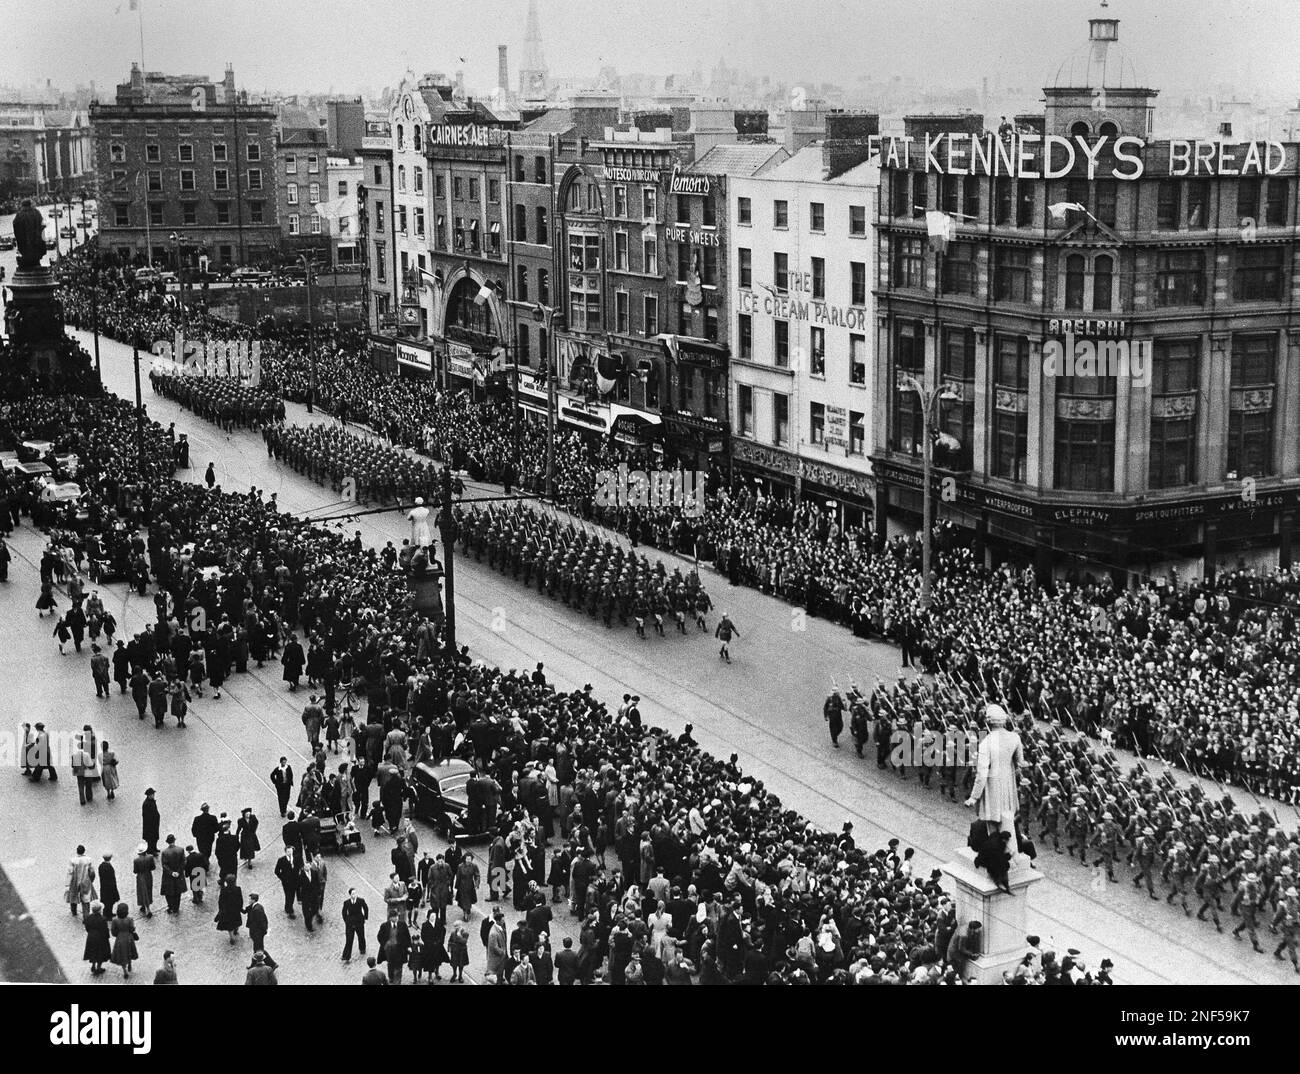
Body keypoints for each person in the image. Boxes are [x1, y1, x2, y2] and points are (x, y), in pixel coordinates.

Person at [109, 903, 139, 979]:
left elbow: (113, 931)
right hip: (129, 937)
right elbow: (132, 929)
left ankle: (124, 970)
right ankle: (129, 964)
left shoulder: (115, 920)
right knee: (129, 951)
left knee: (122, 953)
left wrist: (118, 934)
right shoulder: (130, 919)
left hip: (120, 938)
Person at [66, 846, 96, 918]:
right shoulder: (89, 860)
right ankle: (86, 916)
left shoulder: (72, 860)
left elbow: (70, 872)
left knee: (73, 895)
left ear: (77, 851)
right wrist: (91, 880)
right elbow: (92, 871)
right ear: (84, 851)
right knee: (86, 898)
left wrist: (68, 884)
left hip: (75, 881)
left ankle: (74, 911)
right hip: (85, 880)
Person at [83, 901, 111, 975]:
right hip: (100, 938)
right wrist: (107, 937)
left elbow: (87, 928)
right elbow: (105, 930)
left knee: (93, 952)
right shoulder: (103, 919)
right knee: (100, 953)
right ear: (99, 910)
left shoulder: (88, 917)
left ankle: (93, 965)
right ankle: (98, 967)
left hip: (91, 937)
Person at [159, 835, 186, 914]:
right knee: (178, 892)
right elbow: (184, 862)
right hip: (179, 874)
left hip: (168, 876)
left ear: (168, 842)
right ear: (174, 841)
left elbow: (164, 865)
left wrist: (171, 872)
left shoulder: (164, 852)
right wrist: (178, 871)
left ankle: (170, 907)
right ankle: (176, 908)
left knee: (168, 892)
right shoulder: (181, 850)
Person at [341, 887, 369, 962]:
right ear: (350, 895)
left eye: (355, 893)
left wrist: (365, 917)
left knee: (361, 936)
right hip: (350, 923)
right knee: (349, 939)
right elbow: (344, 912)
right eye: (353, 893)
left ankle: (362, 949)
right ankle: (346, 956)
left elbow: (365, 908)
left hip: (359, 922)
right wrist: (346, 920)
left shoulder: (361, 901)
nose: (355, 895)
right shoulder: (346, 902)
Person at [216, 875, 244, 943]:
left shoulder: (223, 890)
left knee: (229, 925)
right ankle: (236, 929)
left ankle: (231, 937)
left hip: (227, 910)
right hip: (235, 909)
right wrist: (240, 907)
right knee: (235, 921)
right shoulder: (238, 889)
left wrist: (221, 909)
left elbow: (221, 901)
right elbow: (240, 900)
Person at [132, 843, 155, 918]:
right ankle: (146, 905)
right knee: (148, 890)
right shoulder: (150, 857)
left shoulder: (136, 860)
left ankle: (145, 906)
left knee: (141, 891)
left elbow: (135, 871)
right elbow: (153, 867)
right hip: (148, 875)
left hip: (141, 876)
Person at [141, 788, 161, 855]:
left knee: (155, 837)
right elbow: (147, 816)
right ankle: (151, 850)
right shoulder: (146, 804)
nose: (153, 795)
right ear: (149, 795)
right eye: (152, 794)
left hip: (154, 824)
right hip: (150, 825)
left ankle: (154, 848)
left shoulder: (152, 801)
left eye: (153, 794)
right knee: (151, 839)